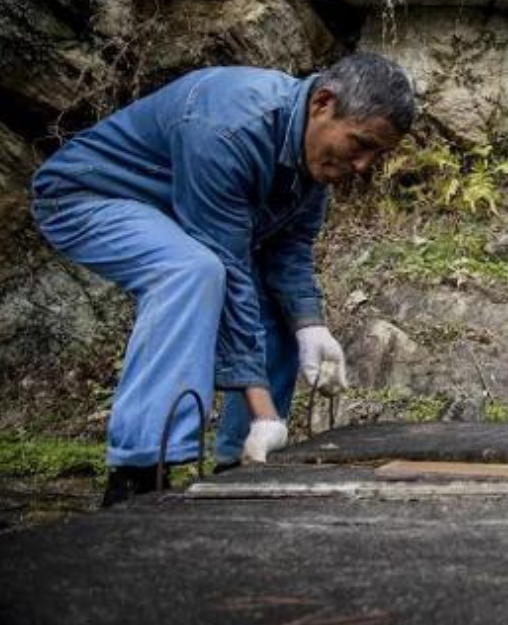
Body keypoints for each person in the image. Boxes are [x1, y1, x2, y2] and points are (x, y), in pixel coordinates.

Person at [31, 53, 416, 506]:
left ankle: (240, 466)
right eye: (360, 143)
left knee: (277, 306)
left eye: (378, 154)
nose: (363, 166)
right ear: (323, 104)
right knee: (192, 271)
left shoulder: (314, 160)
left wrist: (310, 326)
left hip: (175, 213)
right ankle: (138, 470)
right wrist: (265, 408)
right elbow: (227, 265)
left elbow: (287, 255)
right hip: (86, 196)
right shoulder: (228, 126)